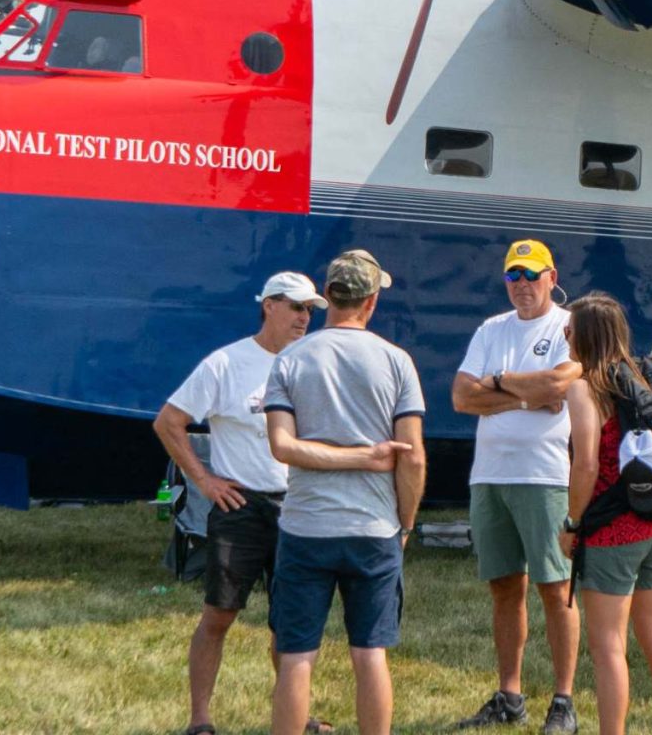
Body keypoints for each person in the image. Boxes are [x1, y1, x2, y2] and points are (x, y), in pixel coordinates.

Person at [152, 271, 334, 735]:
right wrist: (205, 481)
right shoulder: (225, 363)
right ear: (268, 306)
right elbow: (169, 422)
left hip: (297, 508)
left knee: (290, 624)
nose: (303, 318)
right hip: (240, 508)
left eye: (310, 310)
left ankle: (297, 718)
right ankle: (200, 721)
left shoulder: (312, 362)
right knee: (219, 614)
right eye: (295, 307)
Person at [263, 249, 427, 735]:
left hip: (305, 527)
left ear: (327, 295)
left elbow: (282, 446)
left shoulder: (290, 359)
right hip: (374, 528)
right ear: (371, 301)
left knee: (296, 658)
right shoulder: (397, 361)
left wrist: (347, 456)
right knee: (369, 653)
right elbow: (412, 456)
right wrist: (407, 523)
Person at [451, 239, 583, 734]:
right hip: (490, 474)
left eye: (531, 275)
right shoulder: (490, 329)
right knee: (505, 586)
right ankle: (510, 694)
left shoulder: (569, 327)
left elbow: (559, 386)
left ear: (552, 275)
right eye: (513, 276)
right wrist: (523, 395)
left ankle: (564, 701)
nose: (522, 285)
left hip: (545, 476)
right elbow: (462, 397)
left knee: (556, 589)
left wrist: (499, 384)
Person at [557, 293, 652, 735]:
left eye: (569, 329)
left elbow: (586, 462)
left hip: (613, 530)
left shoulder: (585, 385)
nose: (564, 334)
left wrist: (572, 523)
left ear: (585, 336)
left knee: (609, 645)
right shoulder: (645, 374)